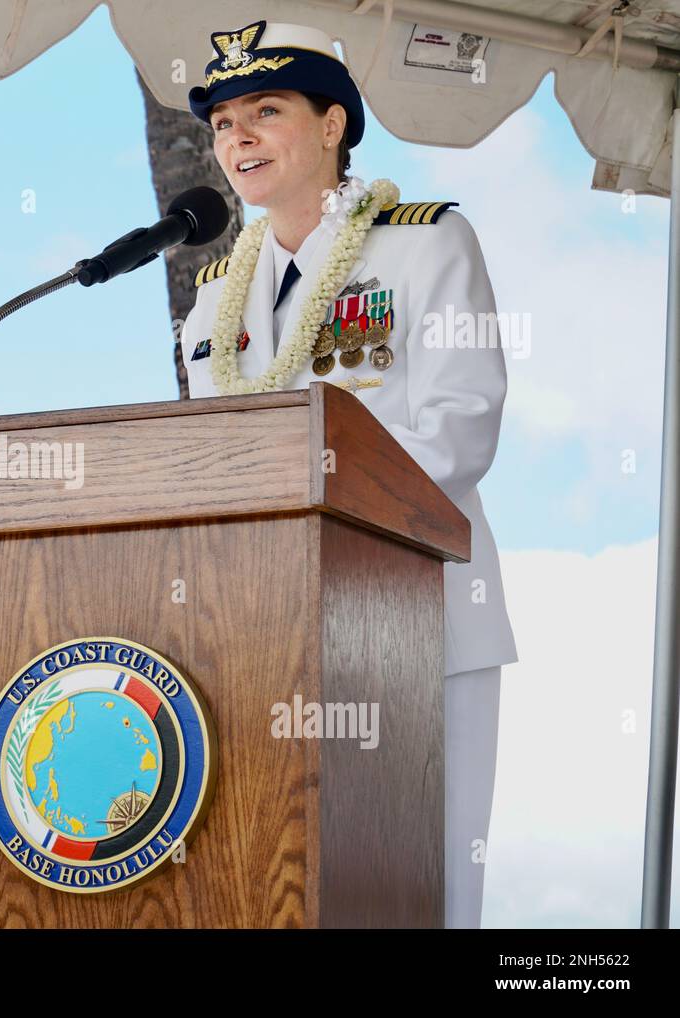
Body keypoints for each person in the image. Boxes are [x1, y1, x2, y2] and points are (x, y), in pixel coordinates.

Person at [181, 20, 519, 929]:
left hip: (416, 618)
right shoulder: (214, 296)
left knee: (425, 891)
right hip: (262, 634)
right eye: (221, 121)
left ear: (333, 125)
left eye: (265, 110)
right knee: (278, 886)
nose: (237, 135)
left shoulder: (427, 243)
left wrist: (321, 500)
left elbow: (461, 427)